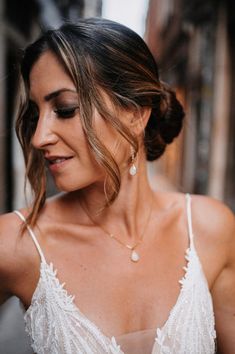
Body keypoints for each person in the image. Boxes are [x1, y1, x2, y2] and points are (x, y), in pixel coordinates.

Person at [0, 18, 234, 354]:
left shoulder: (211, 228)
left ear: (136, 114)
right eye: (37, 114)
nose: (39, 137)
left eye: (65, 109)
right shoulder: (15, 244)